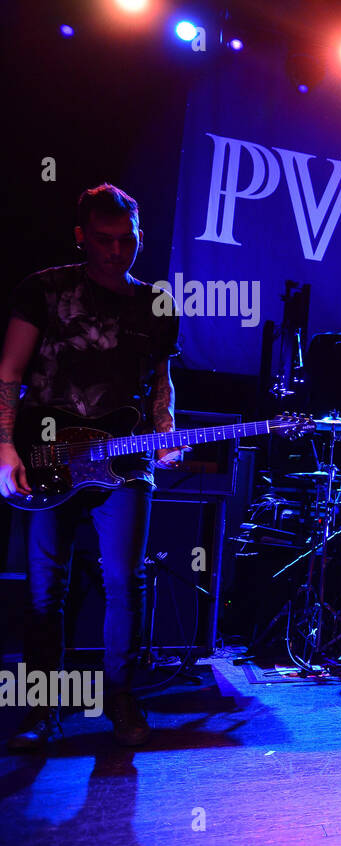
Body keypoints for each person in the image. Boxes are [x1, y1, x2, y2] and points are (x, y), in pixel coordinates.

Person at [1, 183, 181, 749]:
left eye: (126, 241)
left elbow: (160, 381)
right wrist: (4, 447)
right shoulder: (43, 289)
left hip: (123, 460)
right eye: (102, 240)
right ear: (81, 236)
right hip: (47, 452)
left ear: (140, 239)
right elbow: (9, 370)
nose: (114, 251)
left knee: (125, 581)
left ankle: (121, 700)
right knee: (44, 588)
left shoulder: (157, 304)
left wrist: (164, 434)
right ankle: (39, 711)